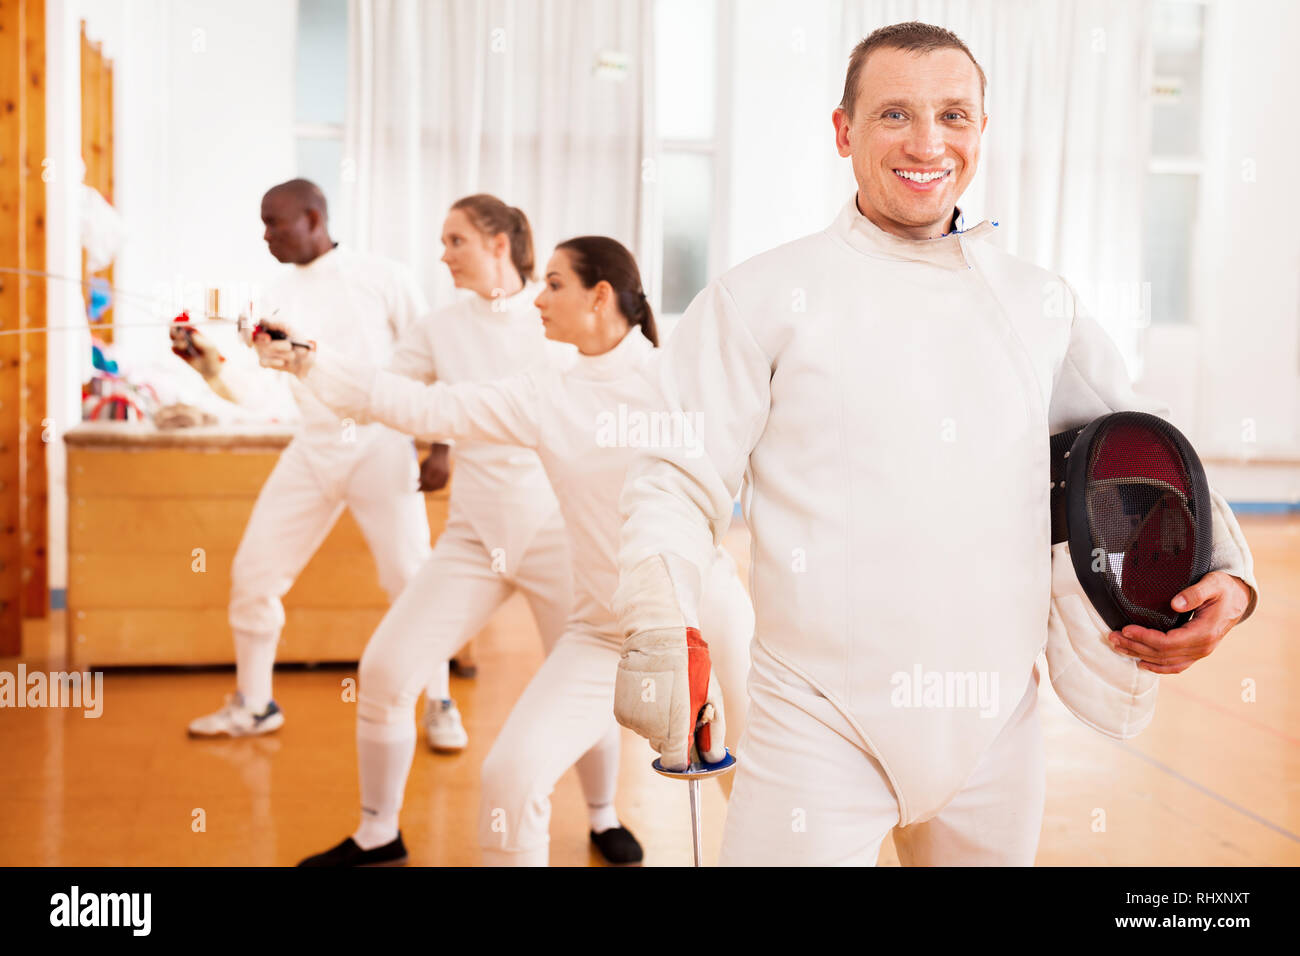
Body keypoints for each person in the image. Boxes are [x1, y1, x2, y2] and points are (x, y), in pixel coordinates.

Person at [610, 22, 1259, 866]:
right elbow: (674, 474)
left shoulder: (1036, 302)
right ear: (844, 131)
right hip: (816, 723)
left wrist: (1230, 580)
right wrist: (657, 620)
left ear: (981, 131)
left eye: (954, 114)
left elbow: (1144, 449)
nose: (927, 142)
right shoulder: (761, 296)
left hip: (995, 730)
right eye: (894, 115)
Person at [256, 237, 754, 867]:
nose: (537, 299)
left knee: (758, 787)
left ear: (600, 296)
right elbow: (423, 404)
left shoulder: (674, 380)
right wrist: (307, 361)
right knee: (509, 780)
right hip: (604, 631)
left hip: (705, 622)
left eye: (553, 285)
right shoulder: (546, 394)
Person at [332, 195, 639, 863]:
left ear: (499, 244)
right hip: (473, 539)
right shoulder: (441, 327)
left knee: (586, 688)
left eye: (455, 240)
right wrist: (302, 359)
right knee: (384, 669)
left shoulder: (560, 322)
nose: (443, 254)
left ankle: (604, 814)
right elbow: (389, 391)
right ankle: (378, 831)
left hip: (560, 541)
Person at [176, 179, 445, 737]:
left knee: (411, 580)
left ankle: (440, 702)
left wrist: (441, 444)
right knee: (253, 575)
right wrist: (208, 366)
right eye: (262, 224)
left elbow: (433, 362)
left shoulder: (385, 277)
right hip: (313, 447)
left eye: (275, 223)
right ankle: (255, 704)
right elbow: (260, 393)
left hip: (381, 444)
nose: (266, 235)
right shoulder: (275, 295)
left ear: (314, 218)